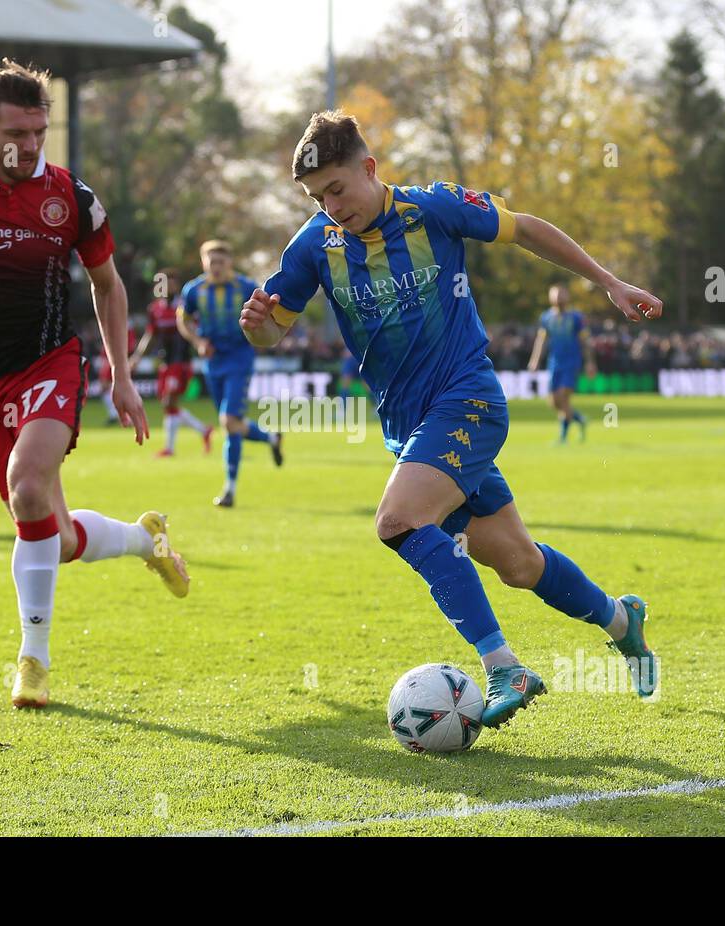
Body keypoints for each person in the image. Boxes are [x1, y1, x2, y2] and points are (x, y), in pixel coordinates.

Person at [242, 111, 661, 728]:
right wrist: (259, 328)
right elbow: (272, 331)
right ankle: (623, 621)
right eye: (315, 197)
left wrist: (609, 282)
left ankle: (502, 666)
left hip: (468, 399)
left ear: (368, 168)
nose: (331, 206)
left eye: (337, 189)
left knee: (398, 521)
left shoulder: (434, 208)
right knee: (519, 564)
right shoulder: (314, 247)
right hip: (409, 429)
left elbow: (526, 230)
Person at [0, 59, 188, 710]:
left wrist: (121, 377)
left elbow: (108, 286)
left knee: (27, 486)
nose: (28, 146)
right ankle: (146, 538)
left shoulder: (71, 197)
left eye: (39, 132)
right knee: (53, 532)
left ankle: (34, 662)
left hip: (54, 362)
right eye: (15, 133)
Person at [178, 240, 282, 507]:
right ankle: (270, 437)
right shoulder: (194, 290)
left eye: (220, 261)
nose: (216, 265)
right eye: (211, 260)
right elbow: (184, 318)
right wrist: (198, 342)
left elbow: (266, 315)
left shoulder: (246, 287)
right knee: (233, 423)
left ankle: (230, 489)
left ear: (230, 263)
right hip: (213, 362)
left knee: (228, 421)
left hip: (239, 357)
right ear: (204, 262)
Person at [129, 272, 213, 457]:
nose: (165, 287)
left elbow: (195, 329)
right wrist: (136, 357)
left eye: (170, 283)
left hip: (181, 362)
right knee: (168, 405)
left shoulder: (185, 307)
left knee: (169, 401)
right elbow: (151, 335)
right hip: (165, 362)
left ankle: (170, 448)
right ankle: (202, 431)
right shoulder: (155, 309)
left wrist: (202, 345)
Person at [527, 283, 596, 443]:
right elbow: (541, 340)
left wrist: (590, 362)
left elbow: (585, 341)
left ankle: (563, 437)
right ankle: (579, 419)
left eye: (561, 293)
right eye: (555, 294)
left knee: (563, 397)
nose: (558, 297)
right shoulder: (546, 317)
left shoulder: (576, 317)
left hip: (571, 362)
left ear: (567, 296)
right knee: (554, 402)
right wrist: (535, 361)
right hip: (554, 363)